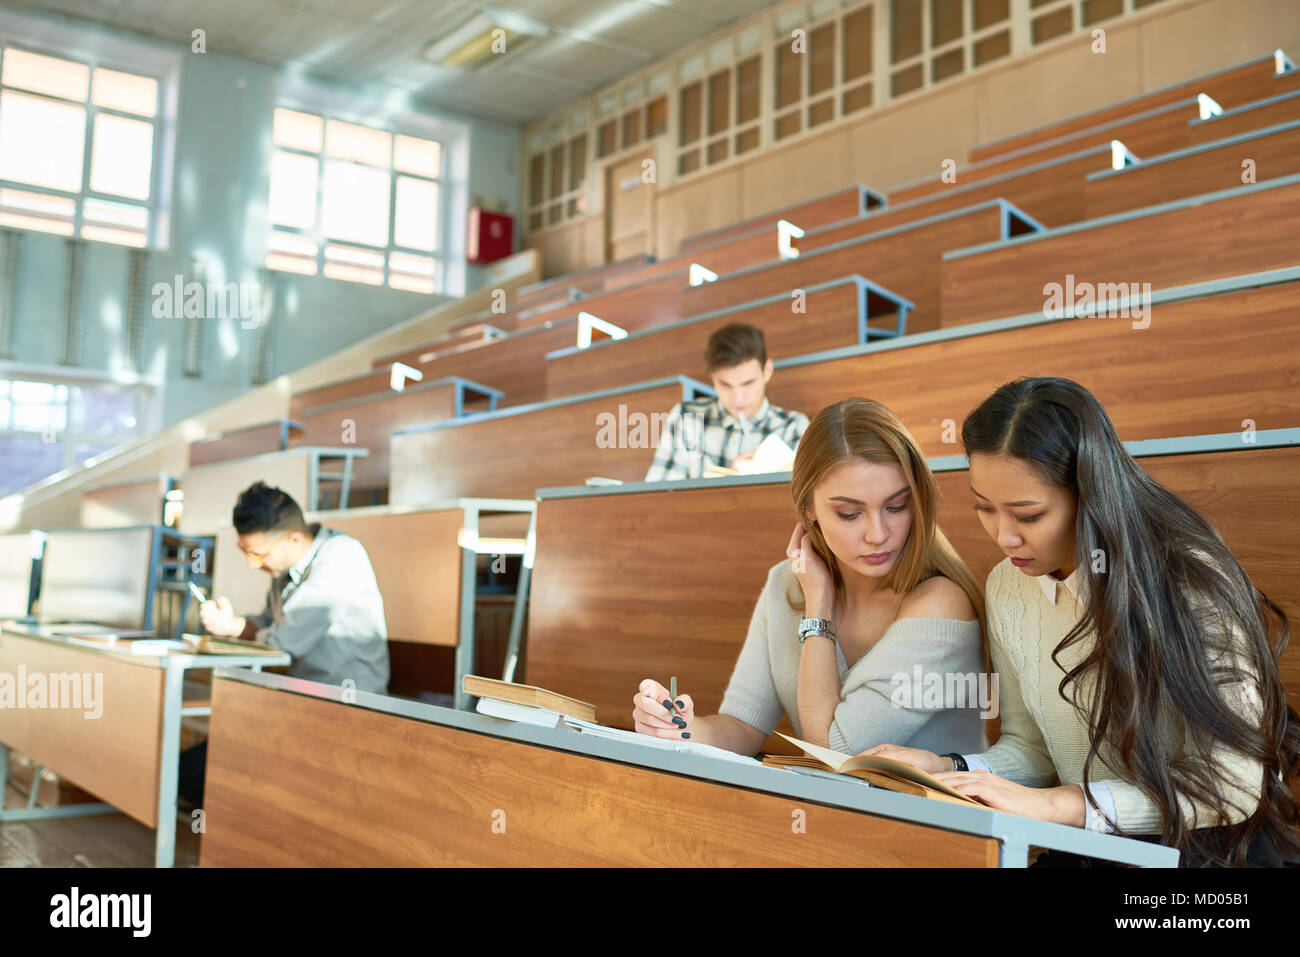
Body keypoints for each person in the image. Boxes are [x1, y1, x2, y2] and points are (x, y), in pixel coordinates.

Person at [863, 377, 1300, 867]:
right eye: (984, 508)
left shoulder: (1187, 579)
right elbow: (1033, 750)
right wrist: (950, 768)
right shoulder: (1007, 588)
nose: (1004, 537)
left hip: (1206, 854)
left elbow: (1235, 783)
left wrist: (1062, 805)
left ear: (1089, 494)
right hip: (1093, 847)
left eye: (1028, 515)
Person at [633, 398, 989, 757]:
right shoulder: (785, 583)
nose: (878, 534)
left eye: (896, 506)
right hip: (831, 810)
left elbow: (831, 752)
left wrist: (818, 609)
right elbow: (743, 725)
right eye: (849, 513)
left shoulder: (942, 604)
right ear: (809, 509)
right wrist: (682, 730)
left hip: (927, 812)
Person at [179, 481, 389, 806]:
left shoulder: (341, 558)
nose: (252, 563)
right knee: (192, 770)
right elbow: (267, 624)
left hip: (343, 713)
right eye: (245, 552)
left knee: (205, 774)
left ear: (293, 538)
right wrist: (231, 624)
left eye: (257, 554)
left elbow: (284, 643)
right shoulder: (287, 567)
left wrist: (236, 629)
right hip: (299, 704)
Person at [644, 322, 810, 481]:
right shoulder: (686, 418)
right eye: (725, 385)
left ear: (767, 371)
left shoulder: (793, 427)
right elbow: (658, 497)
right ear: (713, 379)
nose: (737, 398)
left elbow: (802, 504)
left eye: (748, 383)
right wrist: (728, 482)